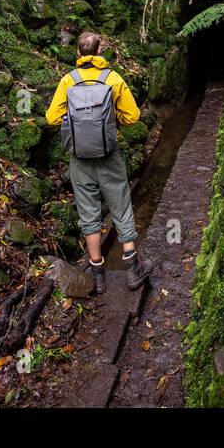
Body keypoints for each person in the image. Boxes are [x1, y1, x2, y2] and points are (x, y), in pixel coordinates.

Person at [46, 32, 153, 294]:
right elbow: (133, 116)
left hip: (79, 158)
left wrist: (77, 125)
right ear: (100, 50)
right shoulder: (113, 79)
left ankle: (97, 271)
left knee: (88, 212)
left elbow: (52, 117)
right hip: (108, 155)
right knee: (120, 203)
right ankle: (132, 268)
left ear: (79, 54)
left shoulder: (68, 81)